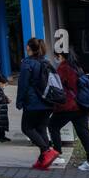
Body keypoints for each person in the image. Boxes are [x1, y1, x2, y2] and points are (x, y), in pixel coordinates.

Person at [47, 49, 89, 173]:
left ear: (60, 56)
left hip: (68, 106)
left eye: (56, 56)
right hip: (82, 105)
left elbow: (57, 87)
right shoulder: (77, 67)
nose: (56, 58)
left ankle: (58, 155)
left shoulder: (63, 68)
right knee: (84, 133)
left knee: (53, 126)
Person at [15, 37, 60, 170]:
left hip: (33, 103)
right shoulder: (46, 62)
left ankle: (47, 151)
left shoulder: (27, 63)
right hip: (48, 102)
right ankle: (43, 161)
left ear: (29, 48)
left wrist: (20, 101)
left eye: (27, 45)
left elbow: (23, 84)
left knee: (27, 128)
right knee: (41, 129)